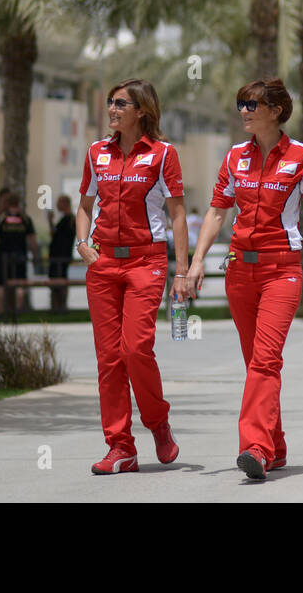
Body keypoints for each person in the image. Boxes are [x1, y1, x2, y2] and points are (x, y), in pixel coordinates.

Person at [185, 78, 303, 481]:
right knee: (256, 363)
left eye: (252, 104)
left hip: (281, 270)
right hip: (239, 270)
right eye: (240, 104)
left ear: (276, 110)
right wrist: (196, 260)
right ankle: (276, 444)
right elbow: (218, 211)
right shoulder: (235, 156)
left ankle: (255, 447)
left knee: (266, 360)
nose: (244, 111)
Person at [75, 78, 187, 475]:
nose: (112, 109)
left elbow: (176, 215)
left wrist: (183, 271)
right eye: (110, 102)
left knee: (136, 348)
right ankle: (120, 447)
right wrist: (82, 242)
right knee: (108, 359)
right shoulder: (95, 153)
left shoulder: (162, 154)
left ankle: (158, 423)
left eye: (120, 103)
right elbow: (85, 205)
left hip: (147, 262)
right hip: (102, 265)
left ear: (142, 110)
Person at [0, 193, 39, 315]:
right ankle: (17, 312)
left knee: (1, 284)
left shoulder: (1, 218)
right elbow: (32, 240)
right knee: (20, 284)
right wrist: (35, 255)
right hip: (20, 256)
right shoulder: (25, 219)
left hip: (3, 256)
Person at [45, 194, 76, 313]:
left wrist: (50, 221)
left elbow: (56, 234)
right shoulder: (67, 219)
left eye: (59, 203)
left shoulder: (69, 220)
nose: (57, 205)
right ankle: (56, 306)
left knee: (60, 280)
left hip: (61, 256)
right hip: (59, 256)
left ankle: (60, 306)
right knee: (56, 279)